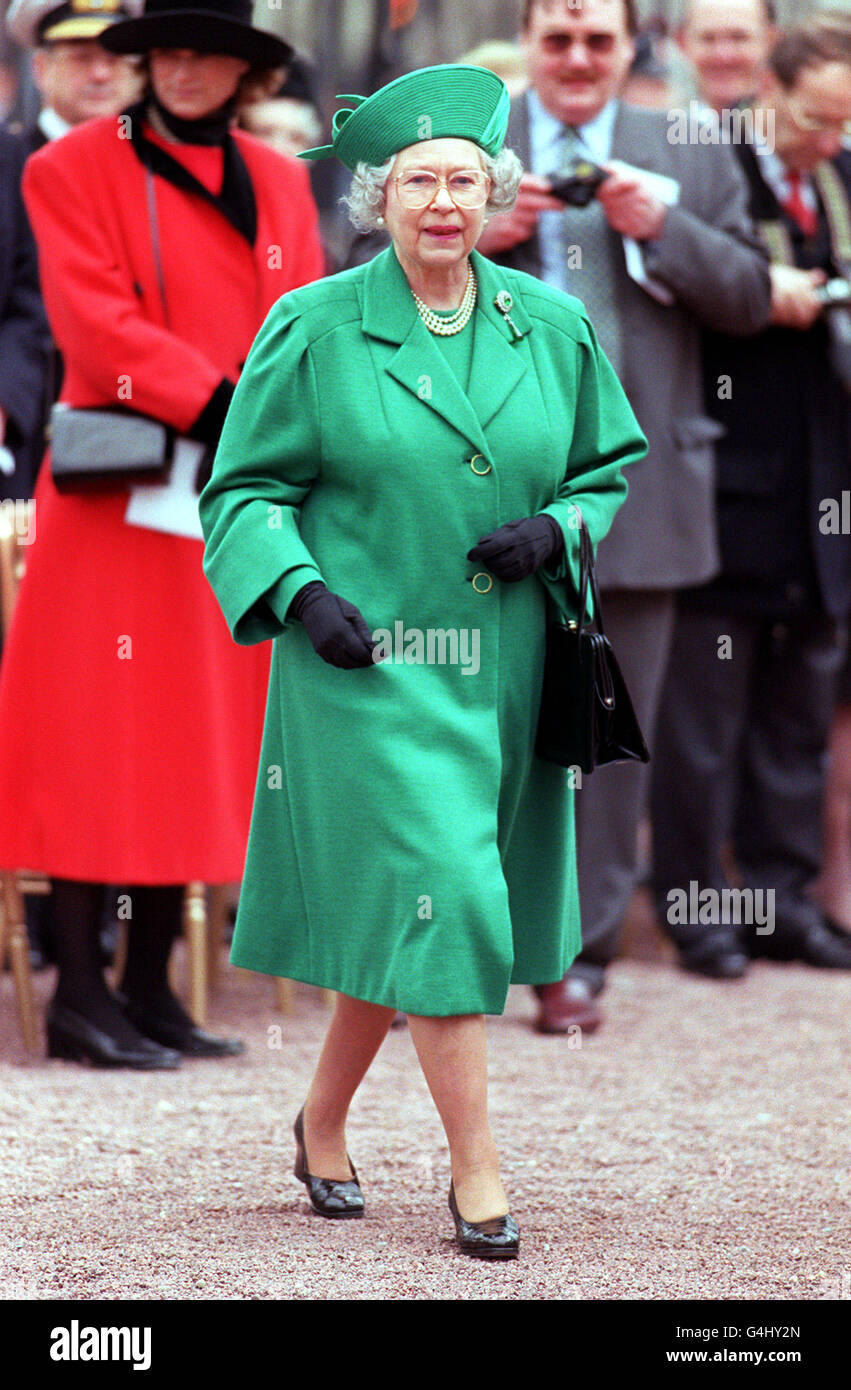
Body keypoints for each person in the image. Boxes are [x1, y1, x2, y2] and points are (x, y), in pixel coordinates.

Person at [199, 63, 647, 1258]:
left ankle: (321, 1121)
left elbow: (604, 472)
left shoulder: (548, 326)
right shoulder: (312, 327)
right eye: (416, 181)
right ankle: (478, 1172)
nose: (442, 201)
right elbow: (241, 489)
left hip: (499, 674)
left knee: (422, 908)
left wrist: (559, 527)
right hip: (365, 665)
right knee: (446, 893)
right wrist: (295, 591)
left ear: (495, 195)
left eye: (463, 180)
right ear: (375, 199)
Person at [0, 0, 323, 1067]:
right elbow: (93, 323)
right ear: (144, 61)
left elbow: (303, 314)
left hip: (223, 492)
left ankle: (149, 982)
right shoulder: (73, 167)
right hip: (118, 493)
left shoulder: (278, 178)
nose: (185, 70)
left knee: (191, 729)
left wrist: (281, 426)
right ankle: (82, 990)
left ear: (244, 70)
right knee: (99, 731)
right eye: (168, 51)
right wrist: (227, 404)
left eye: (209, 52)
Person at [475, 0, 772, 1035]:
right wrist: (472, 231)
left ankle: (574, 952)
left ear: (629, 47)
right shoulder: (468, 129)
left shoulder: (682, 145)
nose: (574, 59)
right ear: (525, 41)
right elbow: (353, 272)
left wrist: (665, 229)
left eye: (596, 39)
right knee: (466, 723)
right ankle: (449, 943)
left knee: (601, 728)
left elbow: (746, 295)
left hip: (641, 485)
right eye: (555, 38)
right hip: (480, 482)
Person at [651, 20, 851, 977]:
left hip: (824, 496)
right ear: (765, 88)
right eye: (814, 119)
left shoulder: (839, 176)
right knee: (701, 721)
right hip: (727, 485)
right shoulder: (703, 165)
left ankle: (783, 899)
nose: (826, 140)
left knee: (797, 715)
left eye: (842, 126)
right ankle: (699, 909)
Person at [5, 0, 141, 156]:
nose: (100, 75)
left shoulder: (151, 163)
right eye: (82, 58)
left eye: (113, 59)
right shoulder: (8, 164)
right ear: (41, 68)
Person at [677, 0, 776, 116]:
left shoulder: (796, 131)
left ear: (771, 41)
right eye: (708, 38)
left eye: (738, 38)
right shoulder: (662, 129)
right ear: (682, 43)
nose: (723, 55)